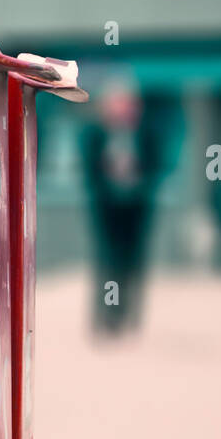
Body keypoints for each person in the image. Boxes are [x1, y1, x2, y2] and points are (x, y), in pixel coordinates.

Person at [78, 81, 164, 335]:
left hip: (136, 208)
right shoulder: (95, 133)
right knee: (107, 261)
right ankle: (106, 316)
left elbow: (156, 167)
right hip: (106, 209)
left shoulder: (146, 132)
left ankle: (128, 315)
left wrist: (139, 185)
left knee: (133, 263)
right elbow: (89, 171)